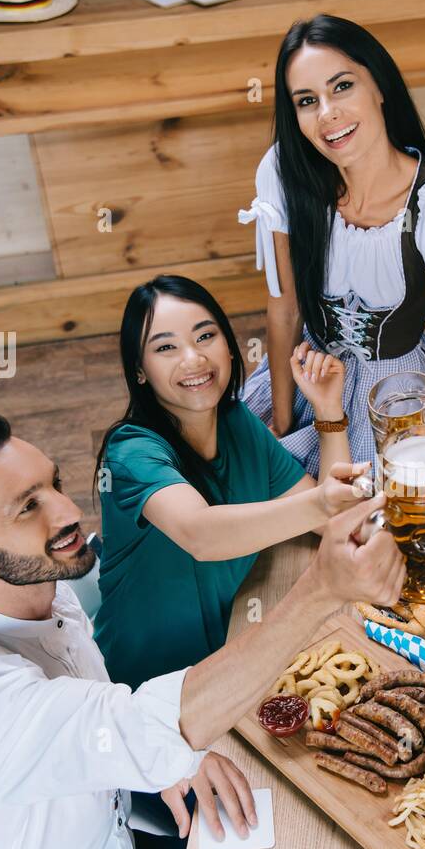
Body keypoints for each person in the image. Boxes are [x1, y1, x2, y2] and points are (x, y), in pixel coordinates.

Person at [0, 409, 404, 849]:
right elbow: (105, 725)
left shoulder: (40, 591)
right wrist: (319, 590)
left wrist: (164, 762)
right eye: (27, 506)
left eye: (54, 483)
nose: (67, 512)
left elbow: (101, 719)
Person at [237, 13, 425, 475]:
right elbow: (286, 310)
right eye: (307, 100)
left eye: (342, 87)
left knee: (376, 512)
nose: (327, 112)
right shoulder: (282, 173)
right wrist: (284, 425)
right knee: (245, 480)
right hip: (306, 372)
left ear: (380, 86)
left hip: (397, 391)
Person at [93, 275, 363, 691]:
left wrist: (327, 409)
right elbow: (202, 535)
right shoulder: (130, 451)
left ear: (229, 346)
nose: (193, 359)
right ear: (139, 371)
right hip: (144, 690)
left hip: (230, 664)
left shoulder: (239, 424)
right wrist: (324, 503)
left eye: (205, 336)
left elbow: (333, 522)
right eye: (166, 347)